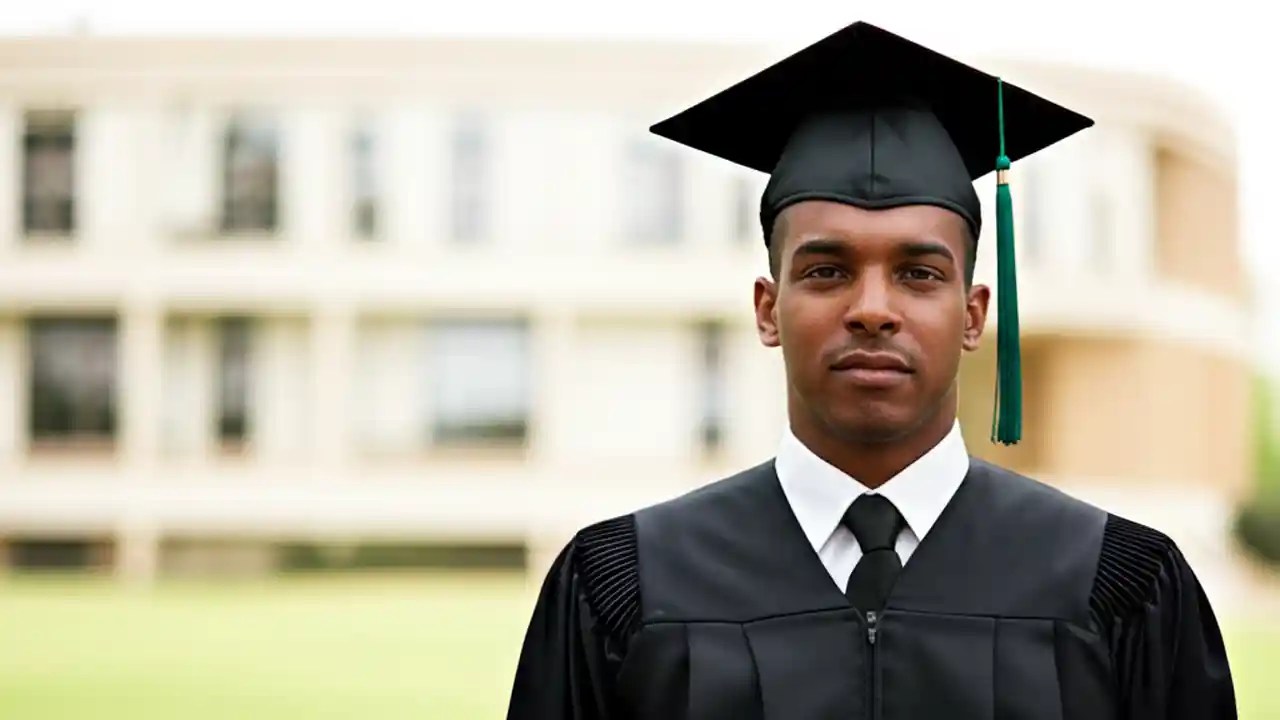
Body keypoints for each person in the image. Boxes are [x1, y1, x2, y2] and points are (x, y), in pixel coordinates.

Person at [505, 20, 1237, 720]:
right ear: (767, 309)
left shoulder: (1118, 586)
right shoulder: (623, 587)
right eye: (826, 270)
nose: (874, 309)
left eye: (919, 273)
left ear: (976, 314)